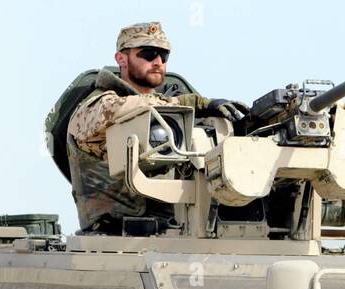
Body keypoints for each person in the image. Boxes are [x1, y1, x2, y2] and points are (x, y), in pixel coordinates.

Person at [66, 22, 249, 234]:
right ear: (121, 59)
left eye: (164, 56)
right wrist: (192, 104)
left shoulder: (171, 115)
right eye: (148, 54)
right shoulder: (94, 106)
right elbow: (119, 109)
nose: (158, 62)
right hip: (113, 237)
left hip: (172, 233)